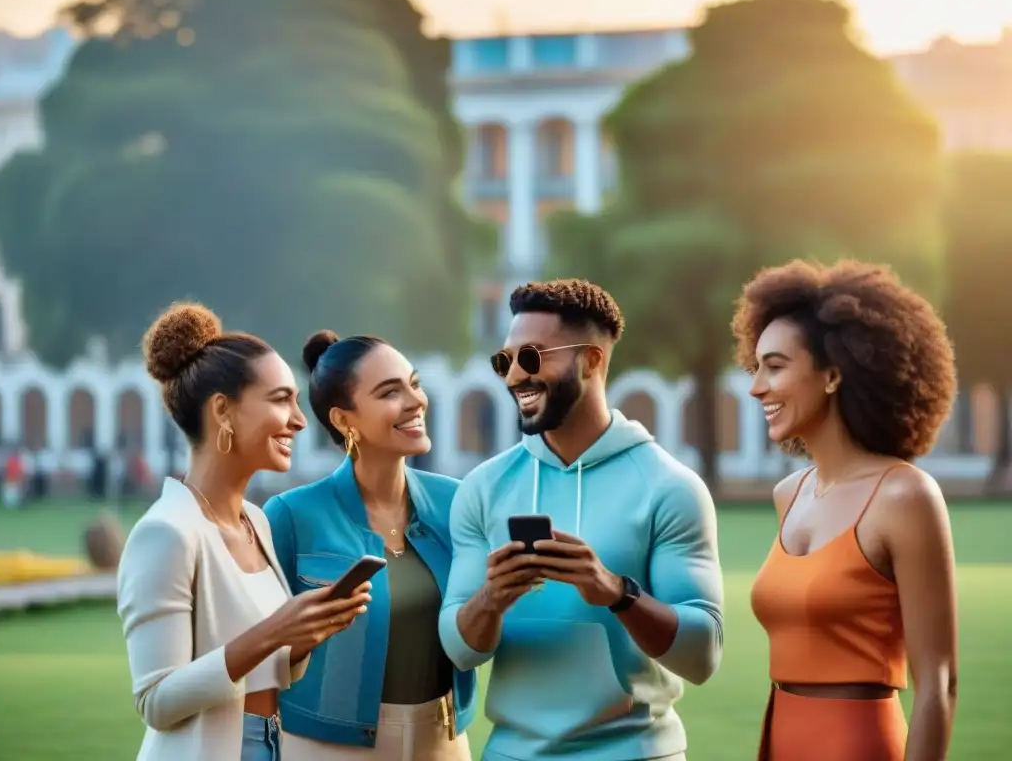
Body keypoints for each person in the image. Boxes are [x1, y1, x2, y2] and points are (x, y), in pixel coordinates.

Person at [440, 279, 725, 761]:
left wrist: (617, 593)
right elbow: (460, 650)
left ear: (591, 360)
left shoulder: (670, 486)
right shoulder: (484, 488)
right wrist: (491, 600)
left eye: (532, 357)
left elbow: (702, 655)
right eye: (504, 361)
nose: (513, 377)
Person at [117, 303, 371, 761]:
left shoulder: (255, 521)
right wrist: (275, 631)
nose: (298, 419)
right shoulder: (166, 533)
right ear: (223, 411)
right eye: (280, 400)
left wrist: (302, 637)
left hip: (269, 742)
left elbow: (266, 668)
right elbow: (156, 701)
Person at [735, 260, 959, 761]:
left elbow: (939, 686)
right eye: (756, 368)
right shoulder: (788, 495)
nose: (756, 387)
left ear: (833, 374)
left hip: (858, 745)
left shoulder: (906, 497)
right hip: (779, 738)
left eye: (775, 366)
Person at [264, 330, 476, 761]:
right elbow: (263, 653)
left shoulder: (456, 502)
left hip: (445, 743)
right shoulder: (290, 515)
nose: (415, 401)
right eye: (390, 392)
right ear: (344, 420)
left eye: (414, 384)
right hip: (326, 748)